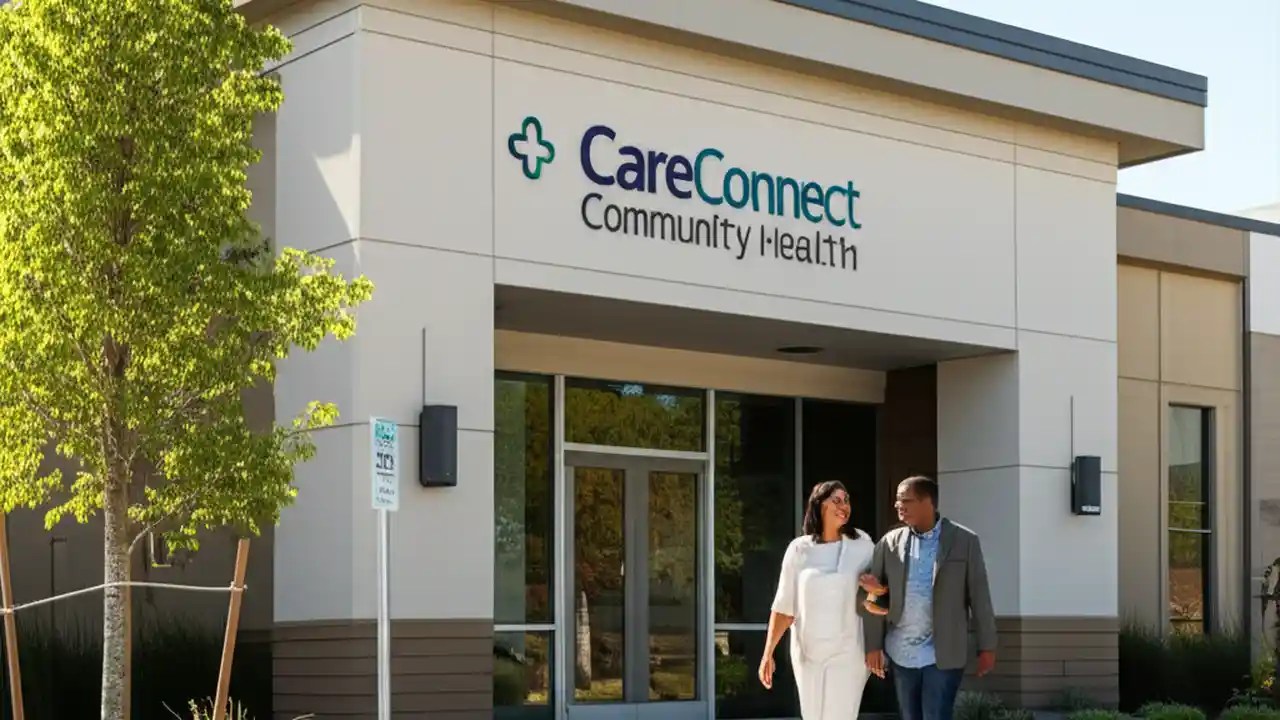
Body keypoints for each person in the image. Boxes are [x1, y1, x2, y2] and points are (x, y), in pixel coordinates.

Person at [858, 476, 998, 720]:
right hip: (900, 654)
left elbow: (980, 596)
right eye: (897, 501)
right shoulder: (889, 543)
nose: (898, 505)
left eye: (906, 500)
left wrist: (987, 646)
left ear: (928, 502)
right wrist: (873, 646)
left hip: (942, 654)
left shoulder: (964, 541)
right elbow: (871, 596)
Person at [758, 481, 876, 719]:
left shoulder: (862, 545)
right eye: (837, 500)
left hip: (849, 652)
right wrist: (767, 653)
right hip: (807, 653)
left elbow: (878, 596)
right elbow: (784, 606)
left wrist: (876, 646)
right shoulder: (799, 549)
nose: (844, 506)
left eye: (847, 500)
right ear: (819, 504)